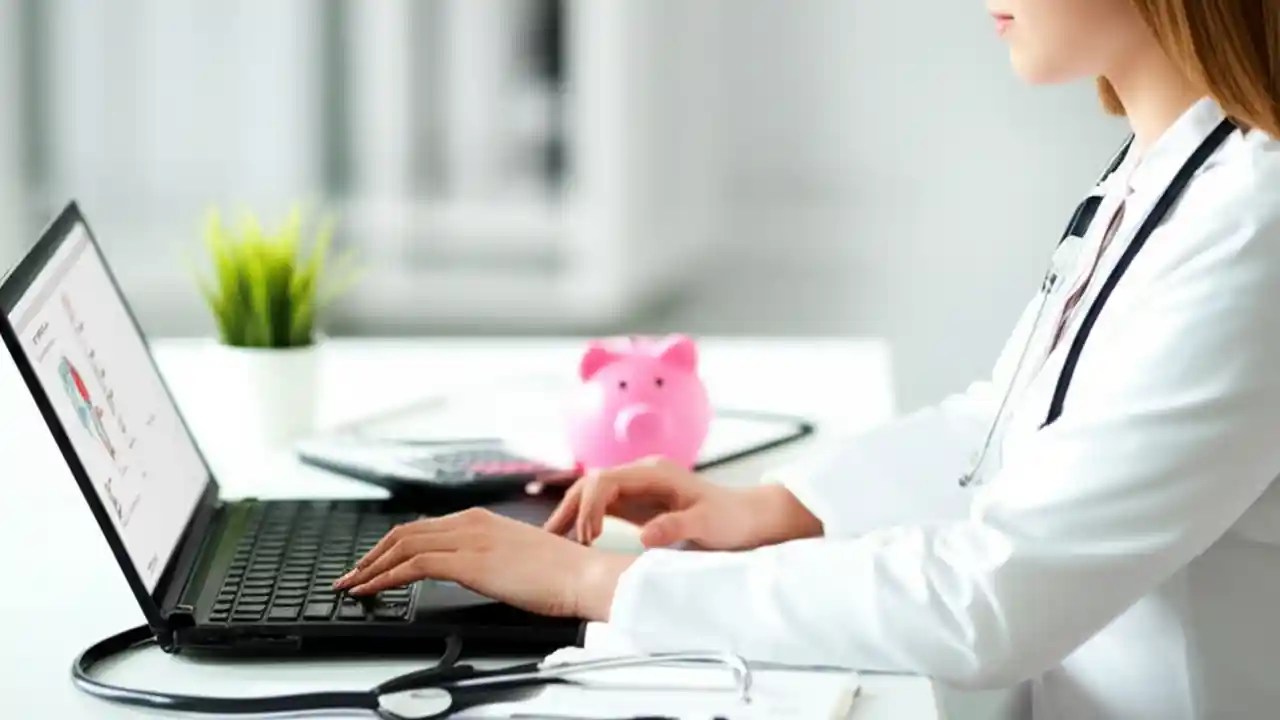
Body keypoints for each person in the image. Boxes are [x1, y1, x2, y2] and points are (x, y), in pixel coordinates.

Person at [335, 1, 1280, 716]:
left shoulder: (1253, 227)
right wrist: (772, 509)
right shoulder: (1166, 168)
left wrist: (599, 584)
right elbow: (1006, 423)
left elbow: (994, 597)